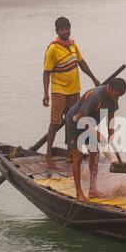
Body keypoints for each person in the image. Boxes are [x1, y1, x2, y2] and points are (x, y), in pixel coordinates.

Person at [42, 16, 100, 169]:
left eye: (67, 29)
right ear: (57, 31)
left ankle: (70, 152)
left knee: (72, 120)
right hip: (58, 91)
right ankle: (48, 156)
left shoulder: (73, 45)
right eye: (62, 29)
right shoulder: (53, 48)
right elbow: (46, 72)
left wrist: (94, 78)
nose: (65, 32)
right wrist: (46, 94)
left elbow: (81, 62)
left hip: (74, 90)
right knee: (55, 123)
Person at [65, 78, 126, 202]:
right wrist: (97, 133)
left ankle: (93, 189)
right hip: (75, 123)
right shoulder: (96, 96)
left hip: (90, 124)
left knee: (95, 153)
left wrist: (111, 130)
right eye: (116, 94)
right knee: (77, 156)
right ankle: (79, 193)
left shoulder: (114, 97)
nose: (116, 97)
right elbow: (81, 117)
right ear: (109, 88)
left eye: (119, 96)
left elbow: (111, 114)